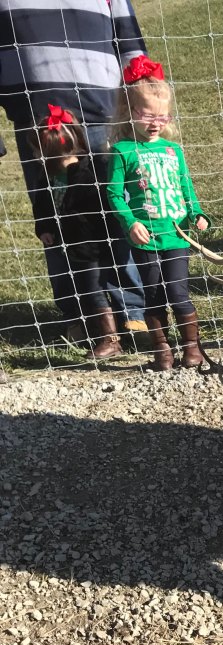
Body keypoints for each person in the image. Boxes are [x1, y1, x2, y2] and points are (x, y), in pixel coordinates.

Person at [0, 0, 147, 335]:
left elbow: (127, 37)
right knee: (57, 214)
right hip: (36, 119)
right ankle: (79, 316)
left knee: (113, 209)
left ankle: (131, 309)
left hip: (101, 110)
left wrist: (140, 97)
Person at [106, 57, 209, 371]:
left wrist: (197, 213)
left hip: (176, 234)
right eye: (148, 115)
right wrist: (130, 222)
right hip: (145, 238)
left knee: (178, 292)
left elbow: (185, 187)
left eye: (162, 117)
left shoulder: (172, 150)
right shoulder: (123, 151)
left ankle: (192, 348)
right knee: (153, 293)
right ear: (130, 112)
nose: (155, 123)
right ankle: (162, 352)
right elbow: (113, 193)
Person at [28, 105, 126, 360]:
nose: (37, 156)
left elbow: (100, 207)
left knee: (96, 288)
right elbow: (42, 206)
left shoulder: (91, 171)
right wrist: (45, 228)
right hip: (67, 243)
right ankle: (94, 329)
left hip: (92, 243)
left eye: (40, 151)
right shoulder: (47, 176)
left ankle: (112, 340)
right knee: (82, 287)